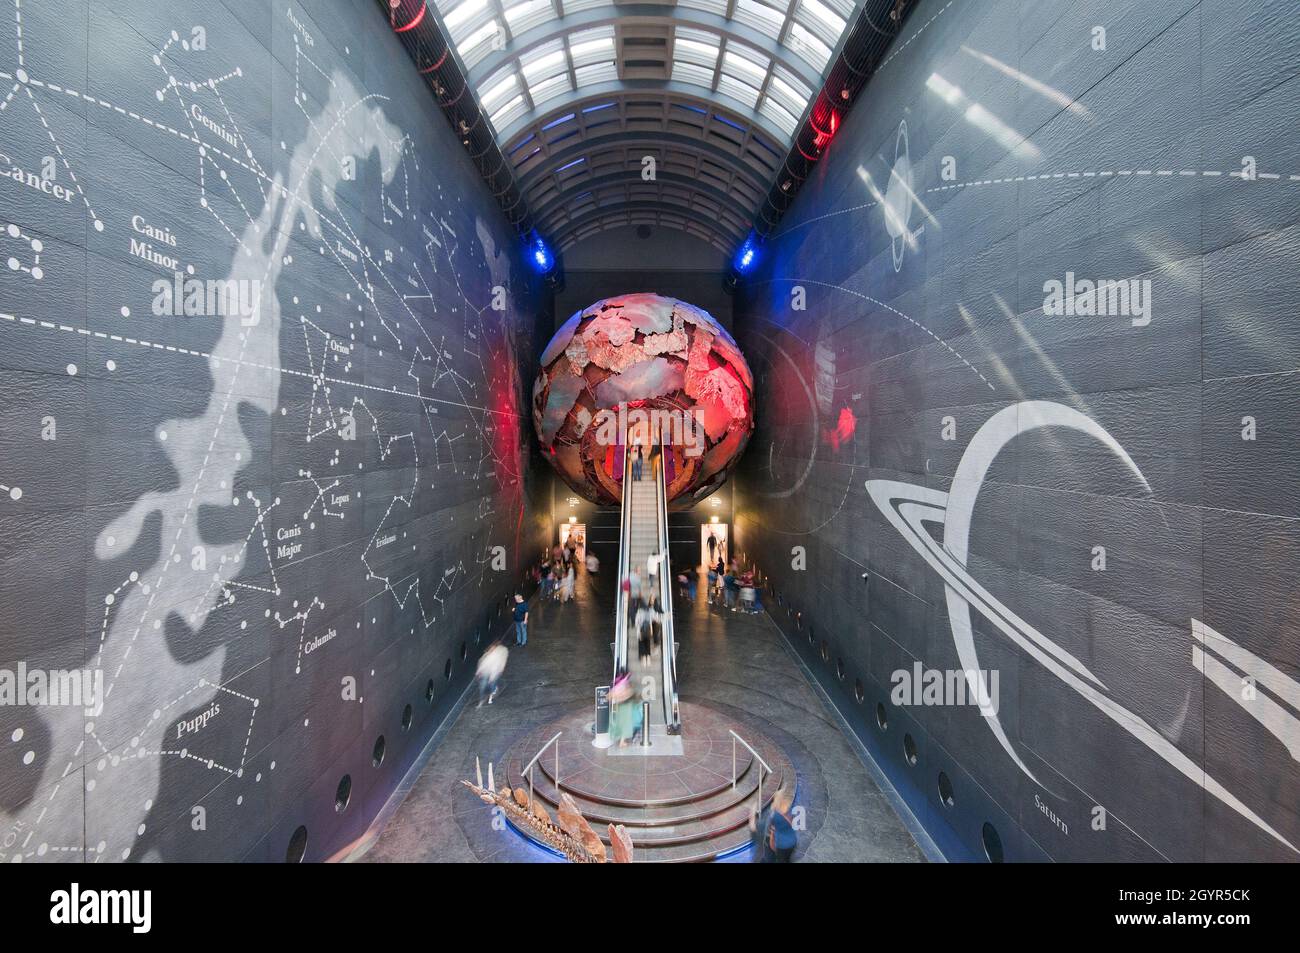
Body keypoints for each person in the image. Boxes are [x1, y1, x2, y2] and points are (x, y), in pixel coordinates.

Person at [767, 787, 798, 862]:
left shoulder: (774, 815)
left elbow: (772, 833)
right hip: (793, 841)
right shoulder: (788, 808)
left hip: (782, 845)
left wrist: (772, 846)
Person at [475, 640, 508, 707]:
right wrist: (478, 671)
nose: (491, 649)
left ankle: (492, 692)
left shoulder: (498, 654)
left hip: (492, 673)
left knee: (491, 685)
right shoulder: (487, 654)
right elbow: (482, 663)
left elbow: (495, 667)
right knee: (482, 686)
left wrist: (492, 677)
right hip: (485, 672)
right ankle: (481, 700)